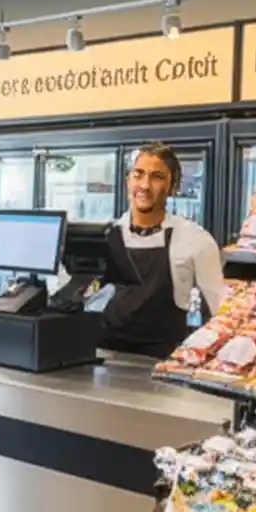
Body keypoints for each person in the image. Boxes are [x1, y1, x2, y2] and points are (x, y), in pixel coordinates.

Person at [101, 142, 225, 358]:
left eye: (157, 177)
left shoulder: (196, 240)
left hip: (162, 365)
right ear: (127, 180)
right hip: (103, 358)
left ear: (173, 186)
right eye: (138, 174)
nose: (145, 185)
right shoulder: (107, 234)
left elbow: (220, 312)